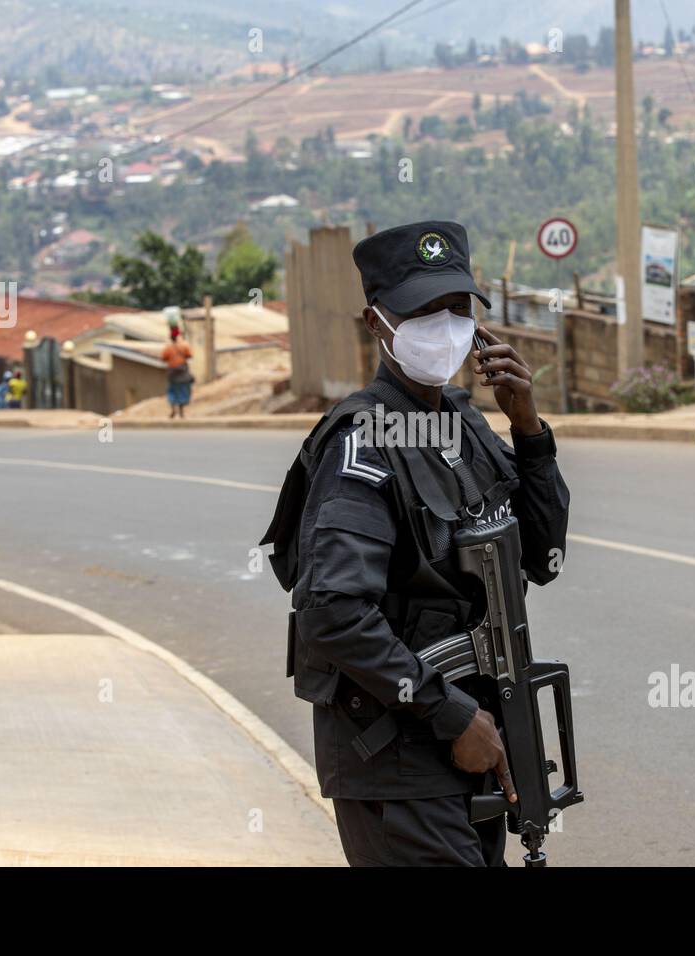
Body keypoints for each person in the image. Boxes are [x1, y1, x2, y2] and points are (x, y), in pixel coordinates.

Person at [261, 220, 571, 866]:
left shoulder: (462, 423)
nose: (445, 325)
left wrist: (528, 429)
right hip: (399, 760)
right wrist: (446, 713)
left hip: (471, 744)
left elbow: (542, 558)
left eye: (457, 309)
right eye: (422, 310)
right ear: (377, 322)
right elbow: (333, 613)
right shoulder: (361, 446)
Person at [161, 325, 194, 419]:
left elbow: (163, 358)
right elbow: (190, 355)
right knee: (183, 390)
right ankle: (181, 412)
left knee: (172, 391)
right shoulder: (184, 345)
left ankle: (173, 410)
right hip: (183, 371)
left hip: (172, 372)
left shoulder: (168, 347)